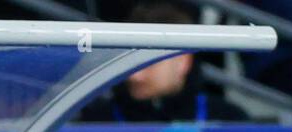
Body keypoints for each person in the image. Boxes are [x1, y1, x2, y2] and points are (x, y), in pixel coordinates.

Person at [79, 3, 251, 123]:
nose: (134, 76)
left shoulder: (228, 121)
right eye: (128, 63)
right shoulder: (96, 122)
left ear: (183, 61)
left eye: (148, 63)